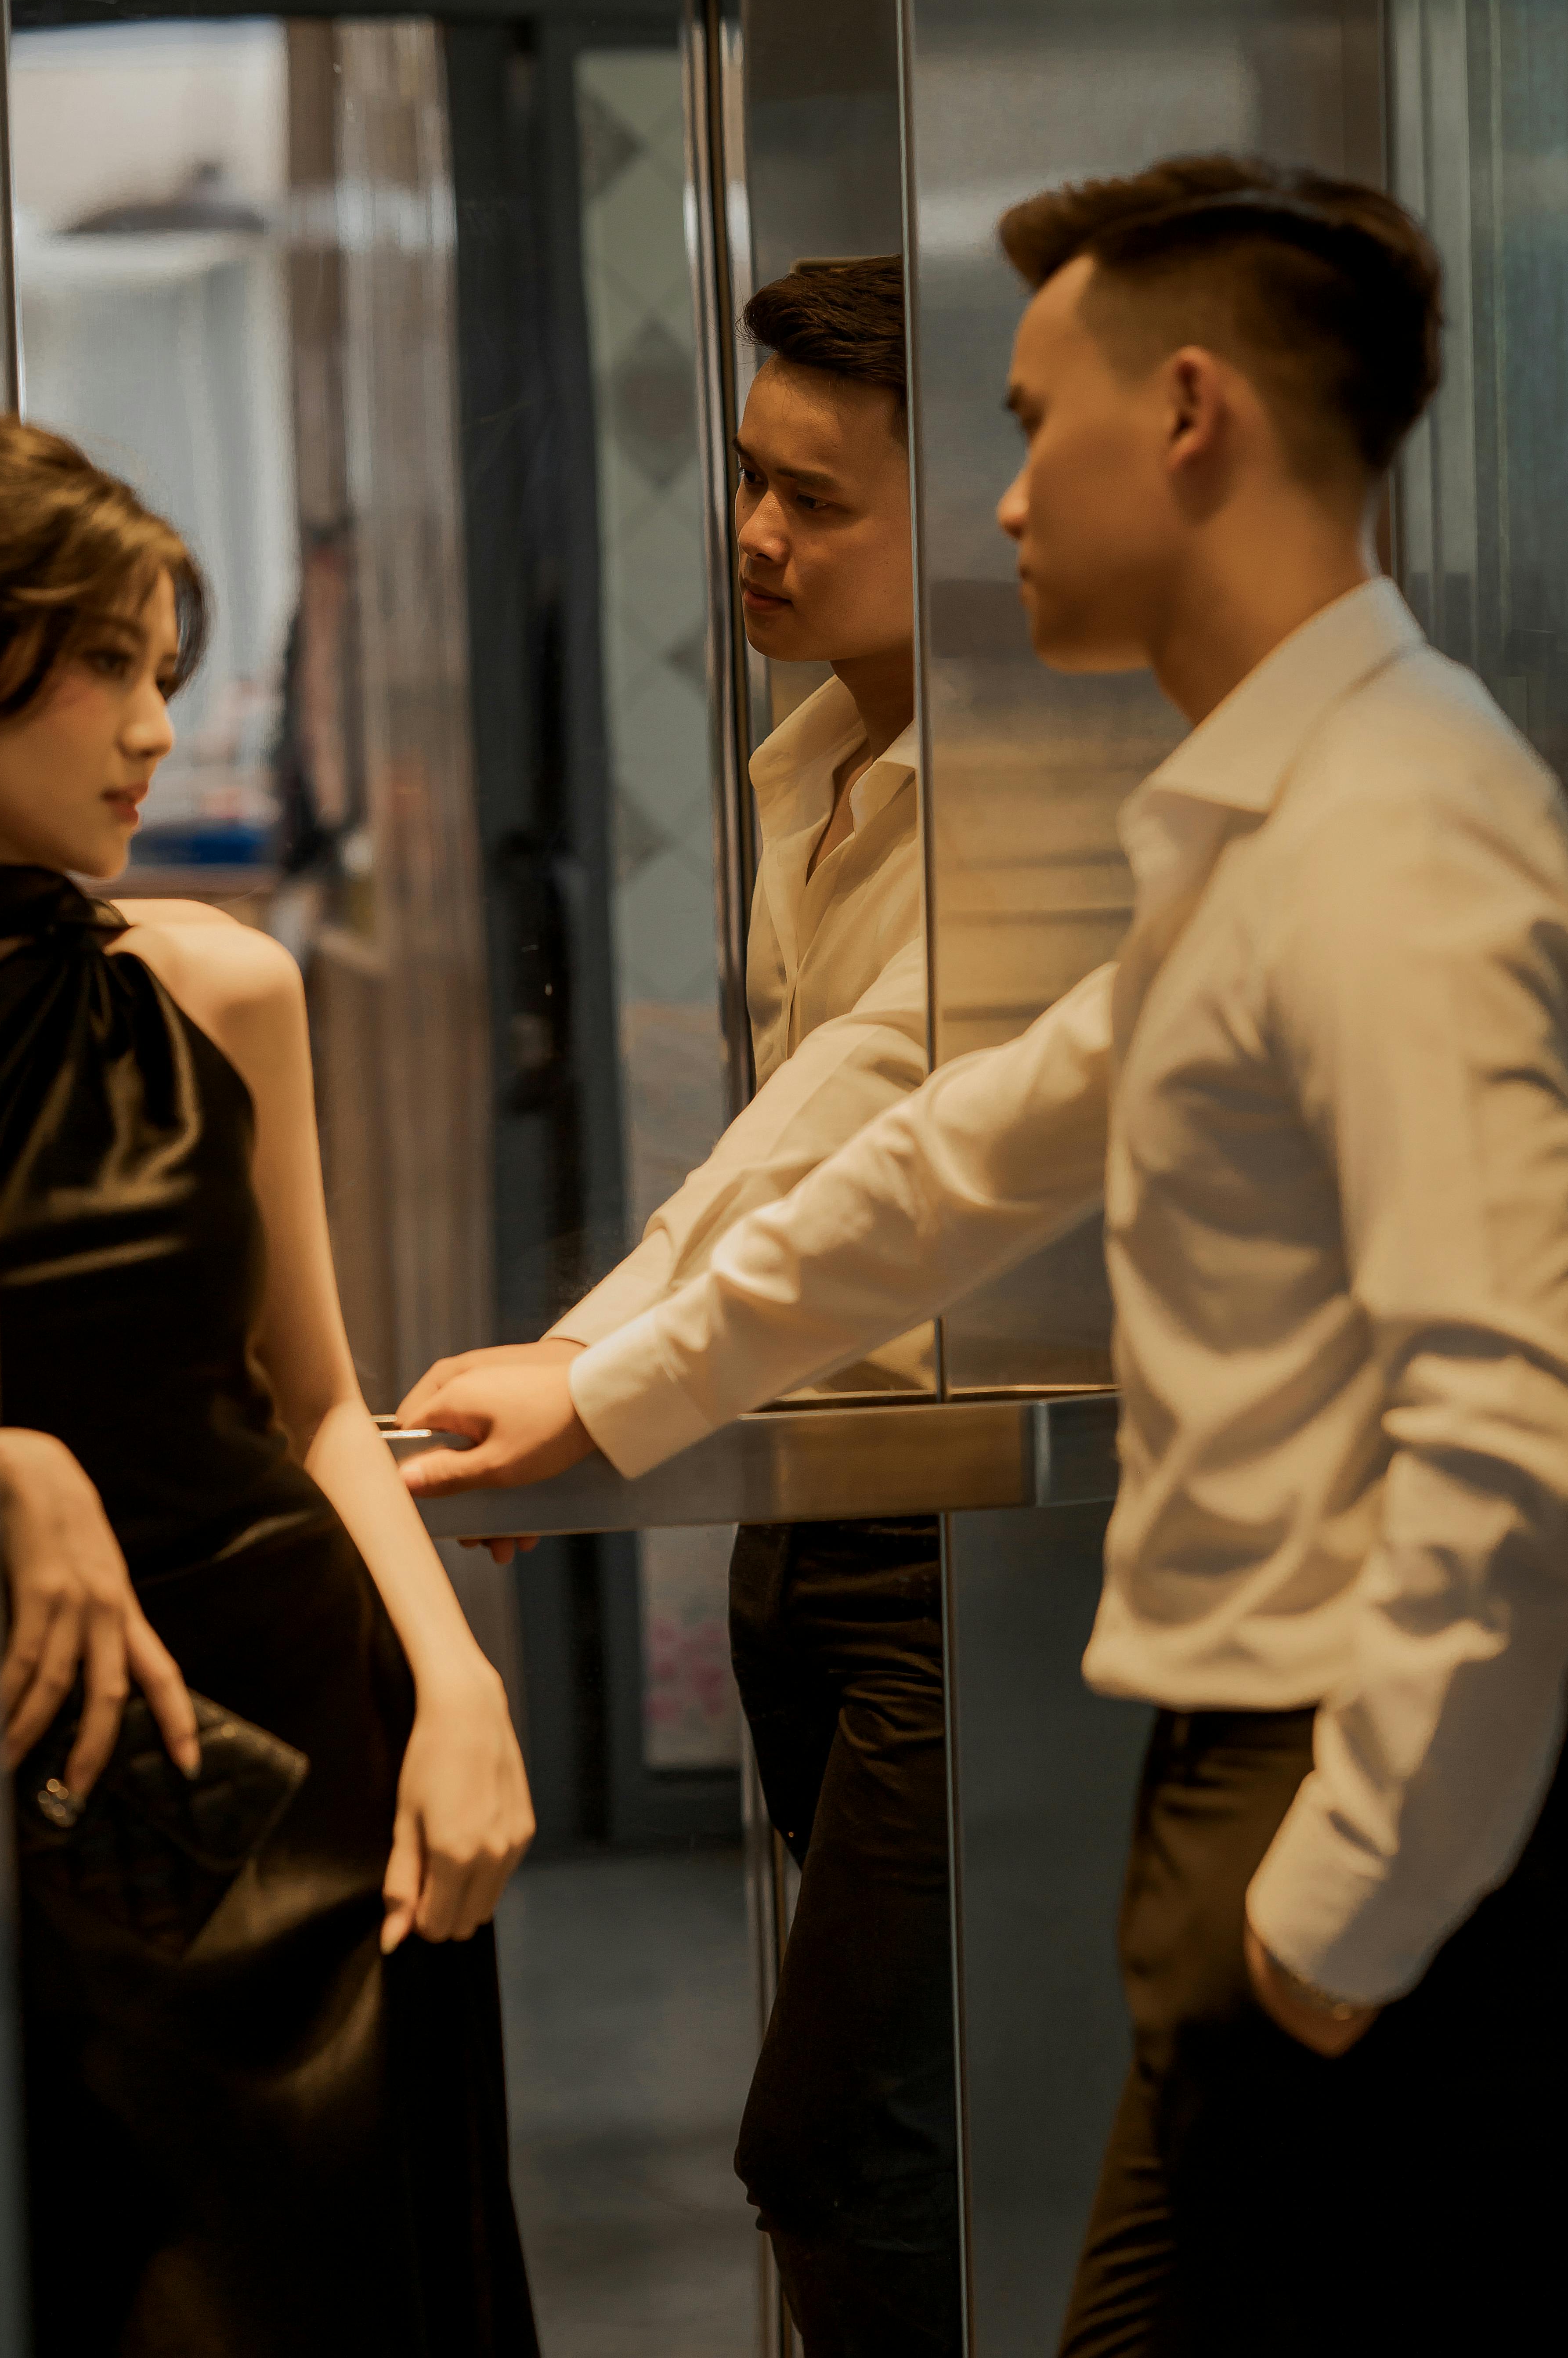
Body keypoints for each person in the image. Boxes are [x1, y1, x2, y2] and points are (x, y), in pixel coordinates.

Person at [400, 156, 1568, 2354]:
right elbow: (963, 1152)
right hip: (1261, 1774)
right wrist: (612, 1382)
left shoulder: (1391, 832)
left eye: (1034, 425)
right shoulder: (1280, 812)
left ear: (1191, 418)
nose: (1011, 499)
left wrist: (1332, 1920)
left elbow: (1516, 1434)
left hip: (1342, 1797)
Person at [402, 257, 969, 2357]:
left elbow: (874, 1117)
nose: (753, 534)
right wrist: (612, 1375)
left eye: (819, 500)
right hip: (806, 1502)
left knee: (844, 2144)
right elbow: (792, 1134)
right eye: (748, 477)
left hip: (962, 1545)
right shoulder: (808, 759)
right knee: (906, 2137)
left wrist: (600, 1369)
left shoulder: (1023, 806)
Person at [0, 416, 540, 2358]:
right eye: (103, 666)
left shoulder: (216, 986)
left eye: (164, 671)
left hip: (284, 1764)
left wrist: (455, 1684)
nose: (155, 730)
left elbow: (317, 1401)